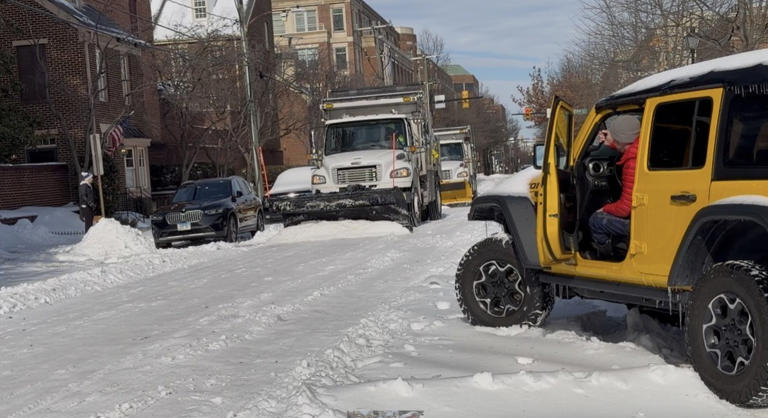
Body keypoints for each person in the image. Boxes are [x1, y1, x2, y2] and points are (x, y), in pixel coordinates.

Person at [587, 114, 641, 260]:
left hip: (638, 223)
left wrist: (605, 208)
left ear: (621, 140)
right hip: (648, 214)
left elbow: (624, 209)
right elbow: (624, 146)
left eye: (615, 138)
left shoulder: (632, 163)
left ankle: (608, 256)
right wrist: (611, 142)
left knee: (595, 220)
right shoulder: (642, 148)